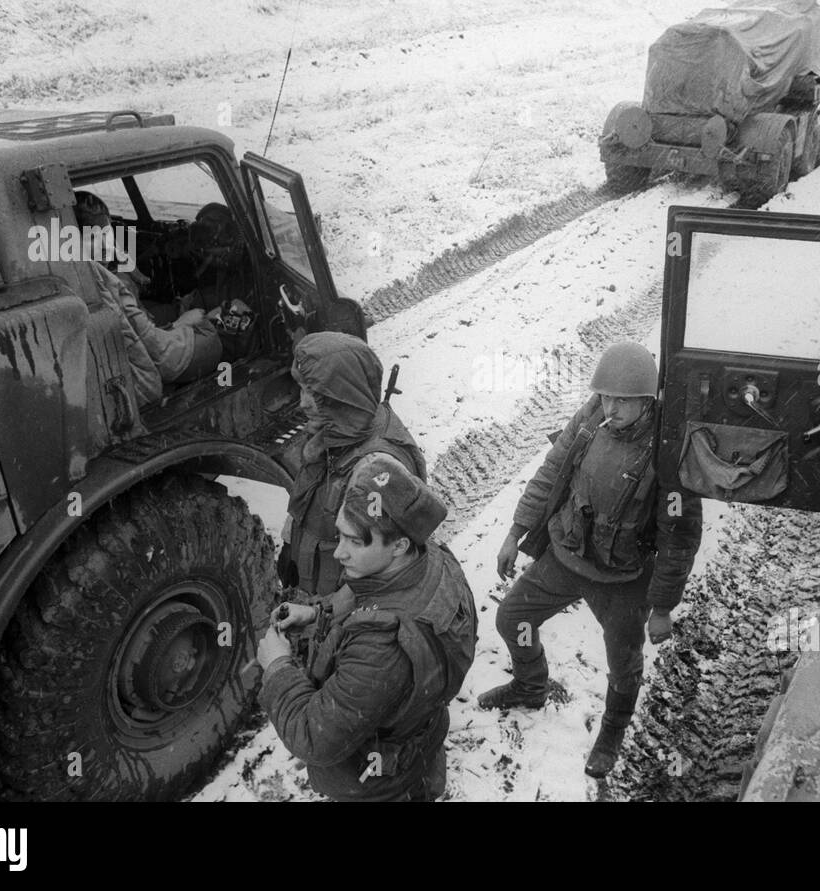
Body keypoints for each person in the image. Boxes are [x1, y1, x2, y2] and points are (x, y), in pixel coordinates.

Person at [477, 340, 703, 778]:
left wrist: (661, 607)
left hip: (623, 578)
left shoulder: (669, 451)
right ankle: (530, 685)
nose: (611, 407)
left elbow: (679, 538)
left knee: (624, 668)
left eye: (623, 400)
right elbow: (551, 470)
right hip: (566, 557)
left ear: (647, 400)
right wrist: (514, 531)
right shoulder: (589, 419)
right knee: (513, 619)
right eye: (606, 396)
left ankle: (612, 733)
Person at [256, 454, 477, 801]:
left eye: (355, 542)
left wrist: (278, 666)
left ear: (399, 545)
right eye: (339, 537)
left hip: (380, 781)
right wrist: (318, 612)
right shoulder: (431, 557)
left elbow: (314, 737)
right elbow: (371, 594)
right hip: (419, 735)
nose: (339, 554)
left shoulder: (382, 649)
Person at [281, 332, 426, 597]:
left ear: (342, 396)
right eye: (301, 389)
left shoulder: (377, 469)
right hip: (311, 589)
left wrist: (329, 619)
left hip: (337, 611)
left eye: (314, 394)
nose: (302, 403)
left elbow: (383, 574)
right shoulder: (338, 429)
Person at [77, 191, 223, 402]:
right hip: (148, 362)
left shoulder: (80, 267)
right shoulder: (107, 284)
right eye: (96, 237)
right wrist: (181, 324)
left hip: (124, 347)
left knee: (173, 308)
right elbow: (156, 350)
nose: (106, 244)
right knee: (213, 334)